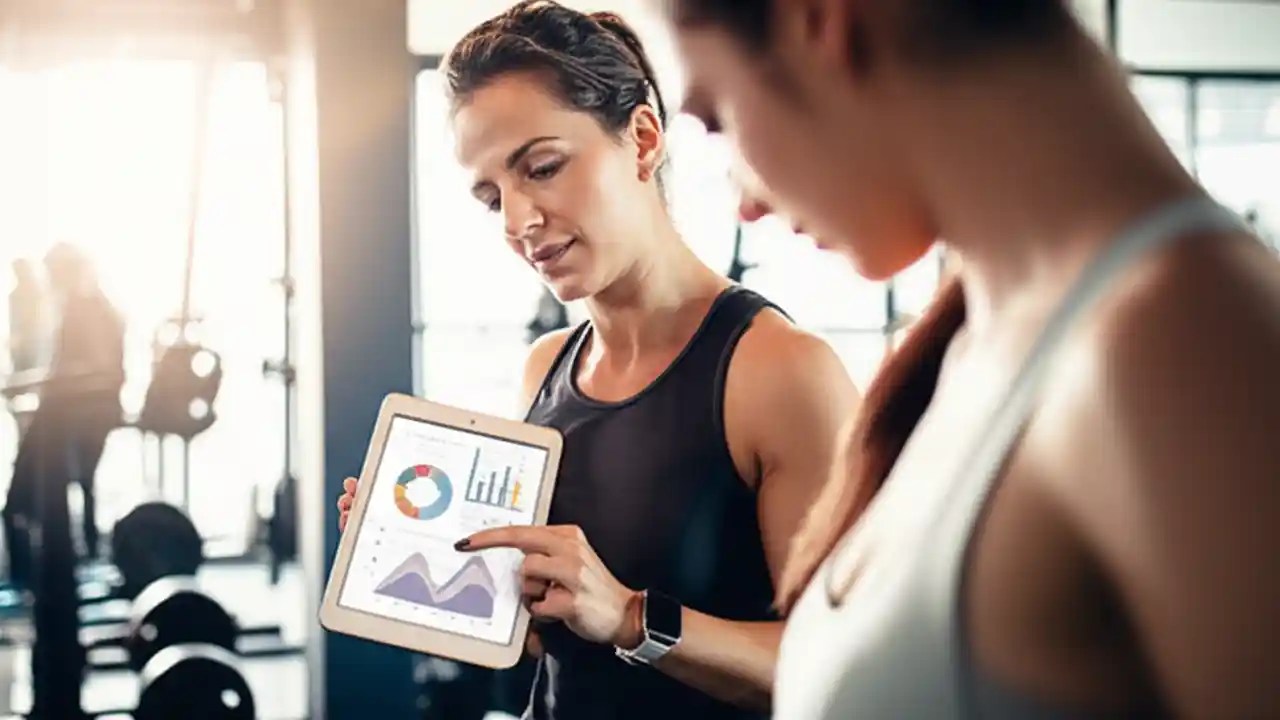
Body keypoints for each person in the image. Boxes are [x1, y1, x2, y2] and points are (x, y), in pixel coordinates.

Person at [657, 1, 1280, 718]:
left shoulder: (1182, 343)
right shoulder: (982, 336)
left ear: (818, 21)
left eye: (718, 119)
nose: (746, 204)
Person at [337, 2, 858, 719]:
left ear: (643, 138)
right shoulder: (546, 366)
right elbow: (545, 644)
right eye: (493, 197)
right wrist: (428, 565)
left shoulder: (782, 373)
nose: (520, 222)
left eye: (542, 168)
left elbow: (837, 670)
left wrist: (631, 618)